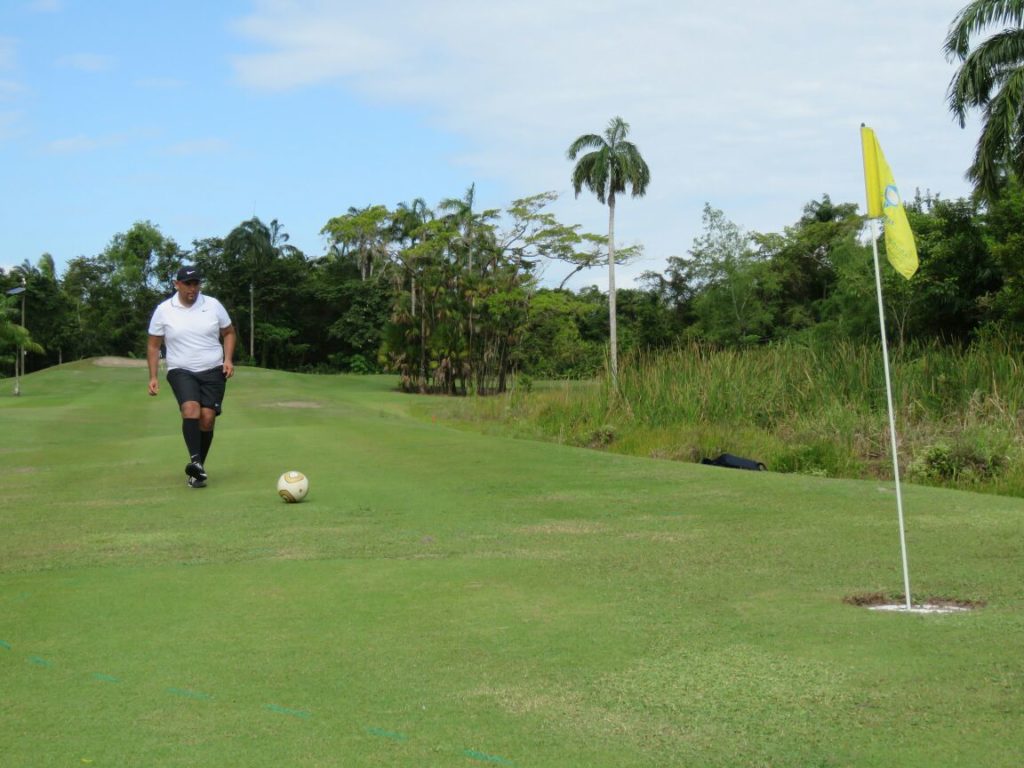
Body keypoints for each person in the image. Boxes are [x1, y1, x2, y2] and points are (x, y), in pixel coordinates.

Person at [147, 266, 236, 488]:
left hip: (213, 369)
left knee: (207, 419)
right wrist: (153, 376)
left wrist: (228, 359)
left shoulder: (213, 305)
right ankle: (195, 461)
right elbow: (153, 344)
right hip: (181, 369)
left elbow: (229, 332)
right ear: (177, 284)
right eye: (187, 284)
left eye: (196, 284)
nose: (192, 288)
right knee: (191, 410)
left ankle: (198, 470)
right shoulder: (164, 310)